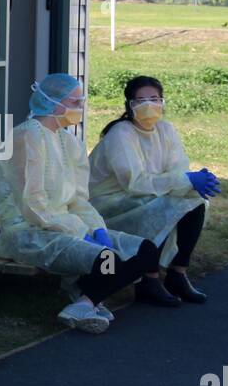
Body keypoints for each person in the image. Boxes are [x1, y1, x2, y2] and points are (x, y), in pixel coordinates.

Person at [0, 73, 168, 334]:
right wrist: (79, 233)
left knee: (146, 251)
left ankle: (84, 302)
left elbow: (78, 199)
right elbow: (32, 204)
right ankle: (87, 300)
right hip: (28, 232)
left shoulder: (68, 141)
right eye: (74, 102)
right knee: (109, 259)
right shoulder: (25, 138)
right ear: (51, 102)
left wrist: (97, 229)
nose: (79, 108)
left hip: (65, 225)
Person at [89, 76, 219, 305]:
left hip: (145, 196)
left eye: (154, 98)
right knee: (165, 206)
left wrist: (190, 181)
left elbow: (177, 169)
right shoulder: (121, 133)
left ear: (163, 101)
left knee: (194, 200)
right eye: (141, 100)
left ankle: (178, 273)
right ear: (130, 105)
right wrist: (183, 180)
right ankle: (149, 279)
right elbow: (135, 182)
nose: (149, 105)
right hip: (108, 204)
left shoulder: (166, 130)